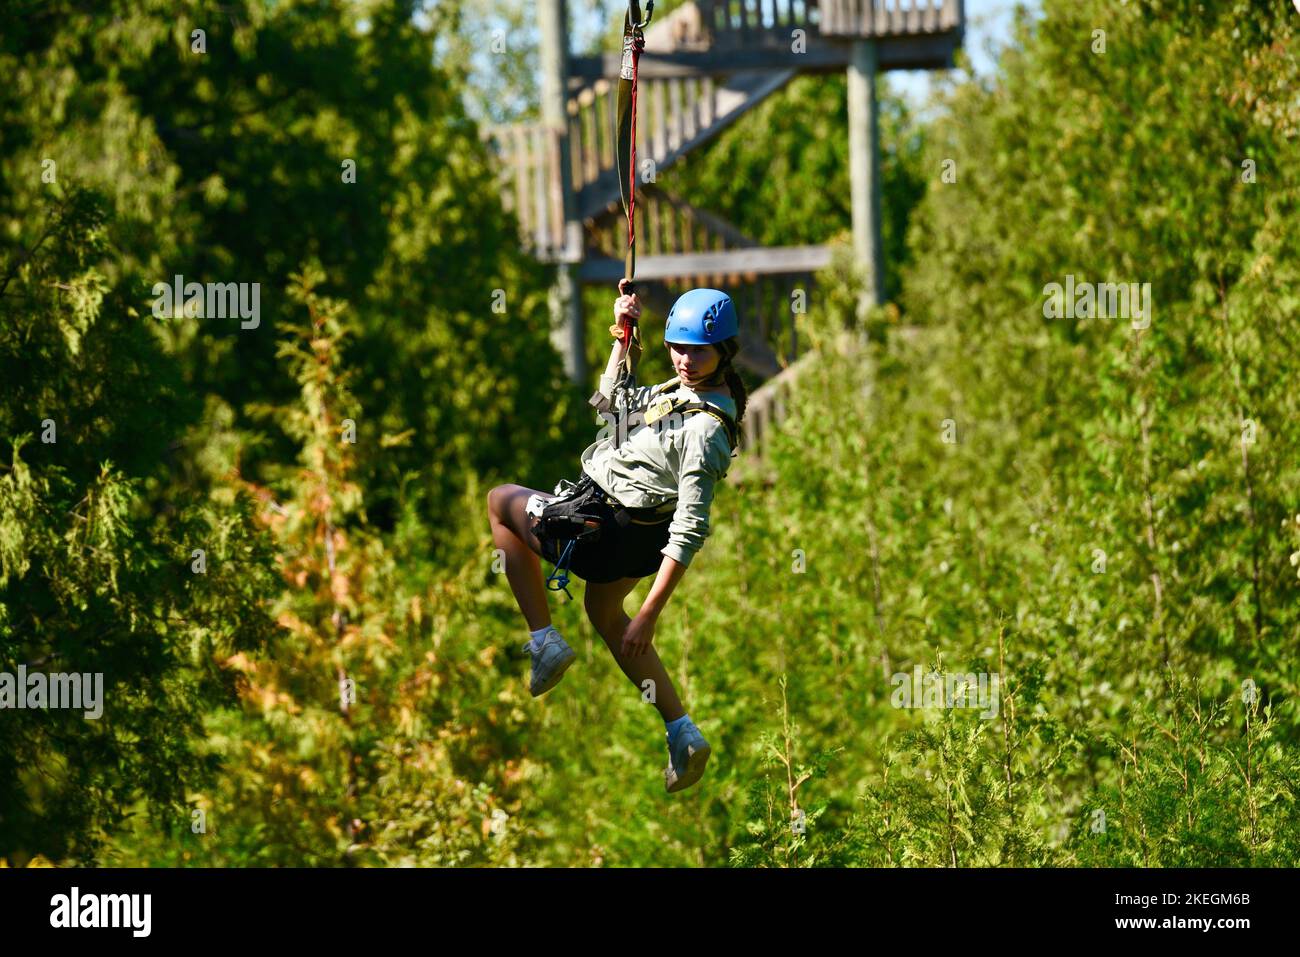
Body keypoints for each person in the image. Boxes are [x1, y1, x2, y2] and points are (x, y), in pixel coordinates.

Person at [486, 280, 748, 793]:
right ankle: (681, 730)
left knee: (499, 502)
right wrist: (624, 337)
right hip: (633, 542)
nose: (683, 359)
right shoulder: (687, 395)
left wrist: (649, 613)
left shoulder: (707, 431)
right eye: (677, 347)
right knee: (604, 613)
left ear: (724, 351)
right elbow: (610, 406)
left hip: (603, 531)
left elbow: (690, 529)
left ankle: (544, 640)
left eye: (697, 350)